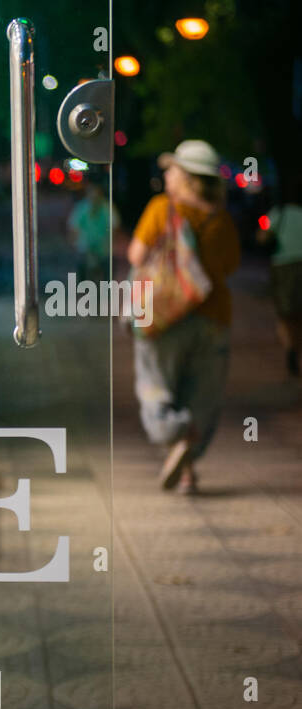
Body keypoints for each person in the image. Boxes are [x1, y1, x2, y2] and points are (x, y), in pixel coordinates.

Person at [127, 140, 240, 494]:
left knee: (157, 389)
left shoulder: (163, 208)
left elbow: (136, 255)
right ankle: (188, 464)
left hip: (164, 317)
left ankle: (175, 430)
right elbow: (230, 266)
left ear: (189, 178)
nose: (166, 174)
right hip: (212, 318)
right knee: (201, 394)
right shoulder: (221, 220)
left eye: (172, 169)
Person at [260, 180, 302, 377]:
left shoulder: (280, 213)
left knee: (286, 313)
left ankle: (291, 348)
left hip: (284, 266)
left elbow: (262, 236)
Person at [67, 180, 119, 282]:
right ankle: (81, 287)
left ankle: (108, 288)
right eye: (91, 193)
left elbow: (115, 227)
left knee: (109, 265)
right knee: (80, 263)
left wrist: (110, 243)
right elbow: (73, 228)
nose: (94, 197)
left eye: (96, 193)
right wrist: (74, 243)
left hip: (103, 249)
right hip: (85, 248)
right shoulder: (81, 207)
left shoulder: (107, 207)